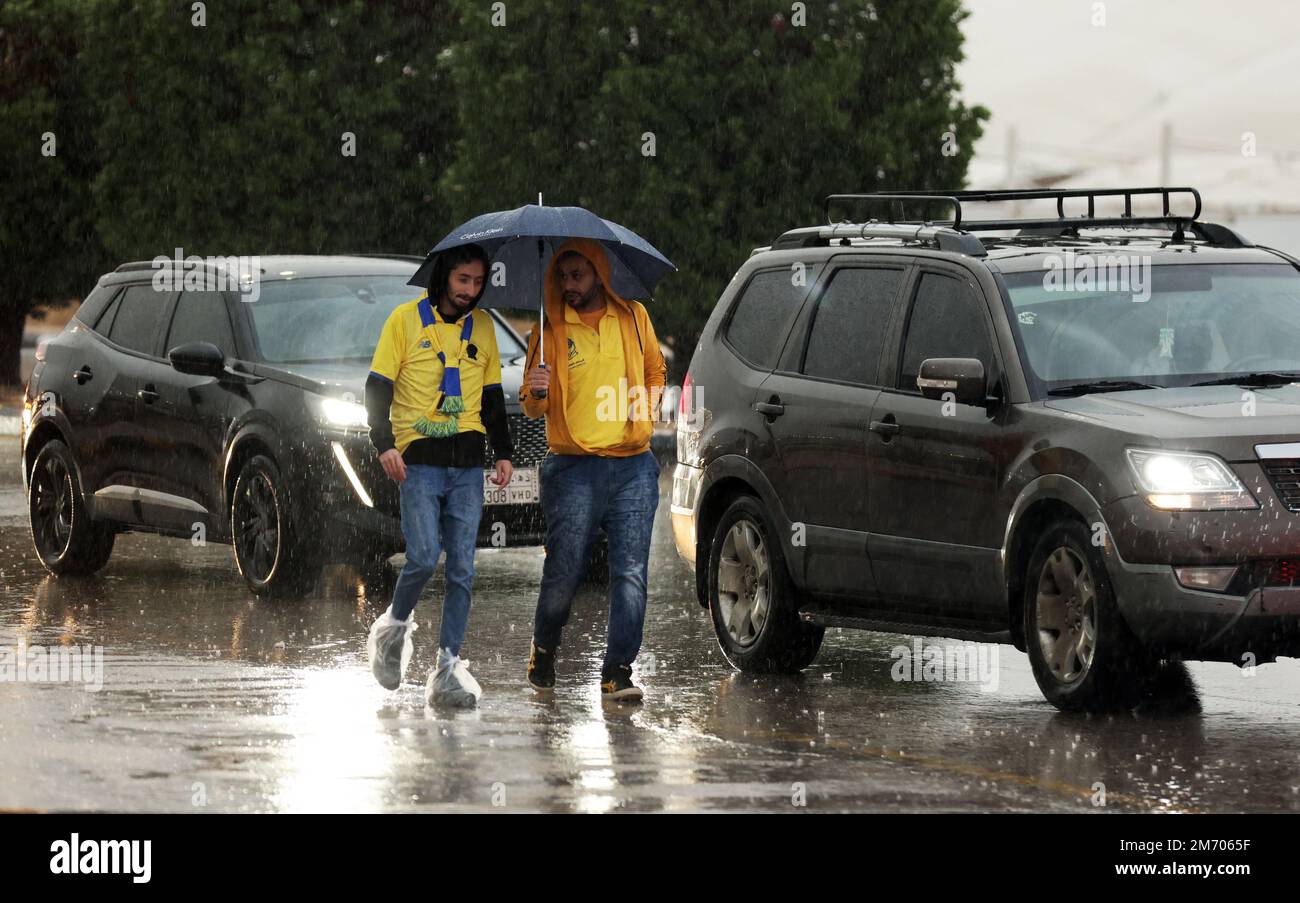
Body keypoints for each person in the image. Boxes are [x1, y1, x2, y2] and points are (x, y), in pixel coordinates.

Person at [364, 243, 513, 707]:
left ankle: (447, 671)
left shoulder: (483, 327)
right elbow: (377, 387)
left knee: (463, 570)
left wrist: (503, 452)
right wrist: (384, 443)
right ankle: (391, 631)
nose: (470, 291)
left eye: (477, 282)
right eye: (462, 280)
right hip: (420, 461)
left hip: (467, 464)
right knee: (425, 557)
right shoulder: (405, 321)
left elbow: (491, 397)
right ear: (444, 277)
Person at [521, 238, 666, 701]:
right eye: (562, 277)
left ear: (599, 273)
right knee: (564, 572)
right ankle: (545, 647)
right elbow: (530, 406)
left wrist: (641, 418)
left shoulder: (633, 317)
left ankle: (617, 671)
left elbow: (655, 372)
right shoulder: (547, 330)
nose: (569, 285)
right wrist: (537, 389)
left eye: (578, 275)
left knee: (630, 574)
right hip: (572, 468)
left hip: (633, 468)